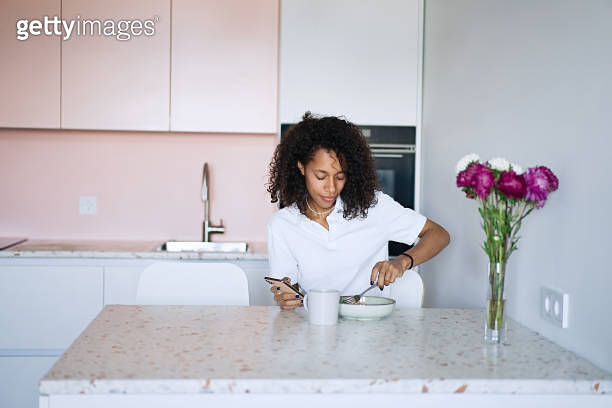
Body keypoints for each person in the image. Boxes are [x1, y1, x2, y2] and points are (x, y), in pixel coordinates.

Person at [266, 112, 450, 310]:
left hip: (370, 328)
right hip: (316, 325)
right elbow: (286, 288)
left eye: (340, 176)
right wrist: (286, 297)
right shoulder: (283, 224)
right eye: (321, 176)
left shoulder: (373, 206)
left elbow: (439, 234)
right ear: (301, 167)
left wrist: (403, 261)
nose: (331, 188)